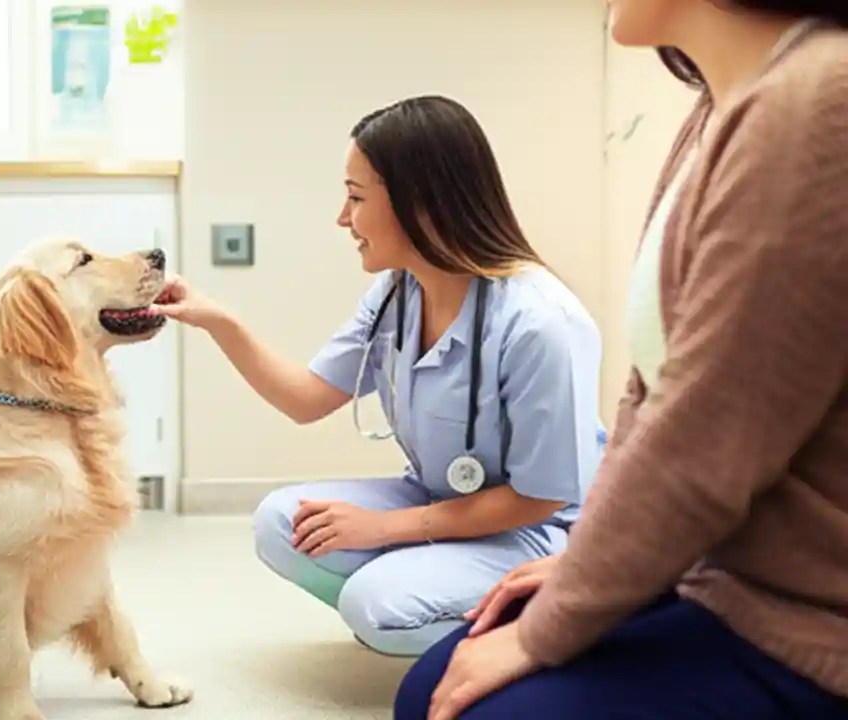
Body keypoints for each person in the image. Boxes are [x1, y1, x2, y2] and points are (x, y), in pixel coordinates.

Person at [395, 4, 848, 720]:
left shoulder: (818, 104)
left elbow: (698, 448)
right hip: (716, 572)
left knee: (477, 709)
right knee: (430, 685)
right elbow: (650, 395)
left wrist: (560, 618)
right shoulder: (717, 110)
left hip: (810, 621)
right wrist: (588, 568)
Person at [154, 95, 606, 657]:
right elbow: (307, 398)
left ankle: (559, 628)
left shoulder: (541, 325)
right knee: (283, 523)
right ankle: (442, 591)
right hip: (442, 497)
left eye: (355, 198)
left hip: (541, 534)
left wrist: (385, 530)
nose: (343, 219)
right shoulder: (398, 293)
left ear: (420, 201)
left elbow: (539, 499)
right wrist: (218, 321)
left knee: (379, 604)